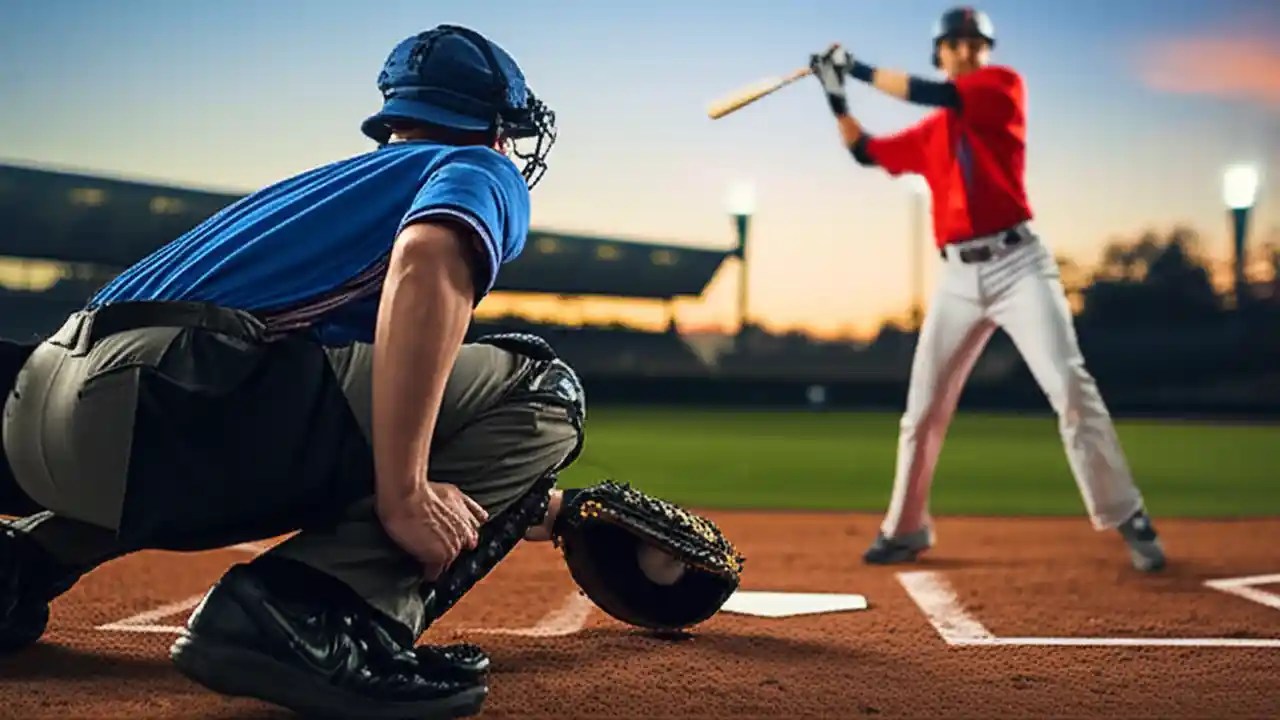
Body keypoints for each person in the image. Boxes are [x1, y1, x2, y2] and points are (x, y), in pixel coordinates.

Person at [0, 24, 585, 719]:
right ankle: (315, 610)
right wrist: (405, 492)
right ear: (498, 128)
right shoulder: (477, 165)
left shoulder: (318, 191)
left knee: (306, 411)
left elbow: (320, 421)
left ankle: (20, 566)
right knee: (544, 390)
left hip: (39, 406)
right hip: (163, 397)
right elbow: (427, 258)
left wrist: (538, 509)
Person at [806, 6, 1166, 572]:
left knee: (1069, 384)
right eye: (955, 43)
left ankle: (1127, 512)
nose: (967, 50)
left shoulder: (1001, 87)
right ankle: (905, 528)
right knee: (922, 410)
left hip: (1019, 265)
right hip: (958, 277)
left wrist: (858, 68)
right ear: (941, 52)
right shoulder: (932, 132)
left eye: (975, 43)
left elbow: (933, 93)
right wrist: (835, 96)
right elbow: (865, 152)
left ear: (986, 52)